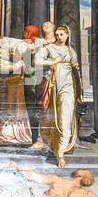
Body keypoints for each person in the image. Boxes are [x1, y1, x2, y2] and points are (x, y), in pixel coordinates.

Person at [36, 25, 81, 166]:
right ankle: (54, 147)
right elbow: (37, 61)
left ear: (67, 35)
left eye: (62, 34)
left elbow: (76, 70)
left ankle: (61, 153)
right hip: (52, 87)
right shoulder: (49, 48)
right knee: (51, 118)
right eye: (57, 34)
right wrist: (52, 62)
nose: (59, 37)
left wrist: (79, 90)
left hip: (68, 87)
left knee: (65, 118)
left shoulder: (70, 51)